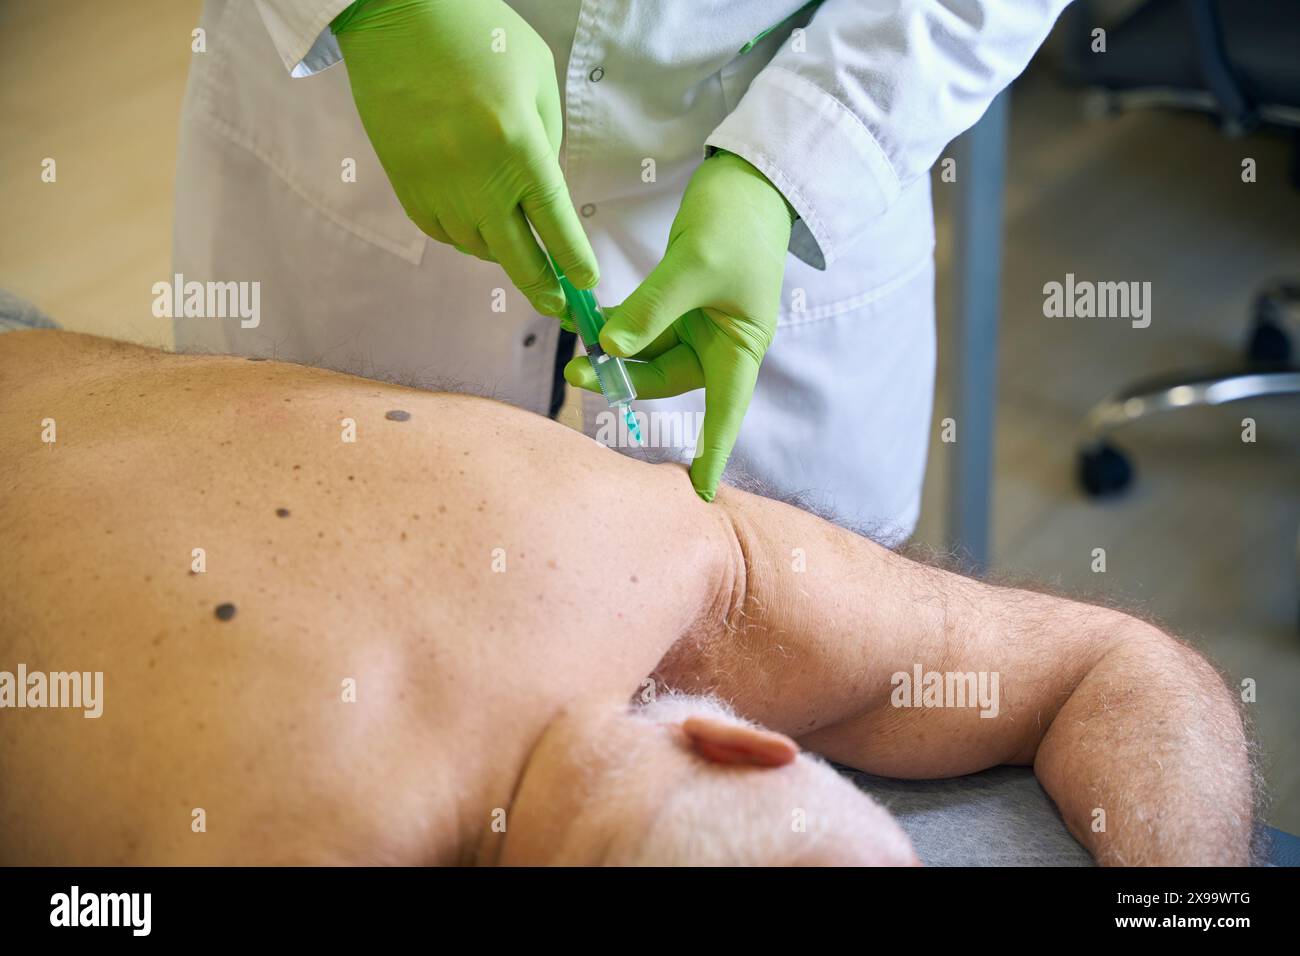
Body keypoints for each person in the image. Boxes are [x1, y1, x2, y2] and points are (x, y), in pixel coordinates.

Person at [0, 326, 1254, 865]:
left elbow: (1120, 668)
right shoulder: (292, 835)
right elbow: (1125, 667)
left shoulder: (656, 553)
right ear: (738, 729)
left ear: (741, 741)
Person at [173, 0, 1073, 540]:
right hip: (358, 113)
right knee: (317, 603)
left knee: (756, 691)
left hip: (779, 138)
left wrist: (794, 163)